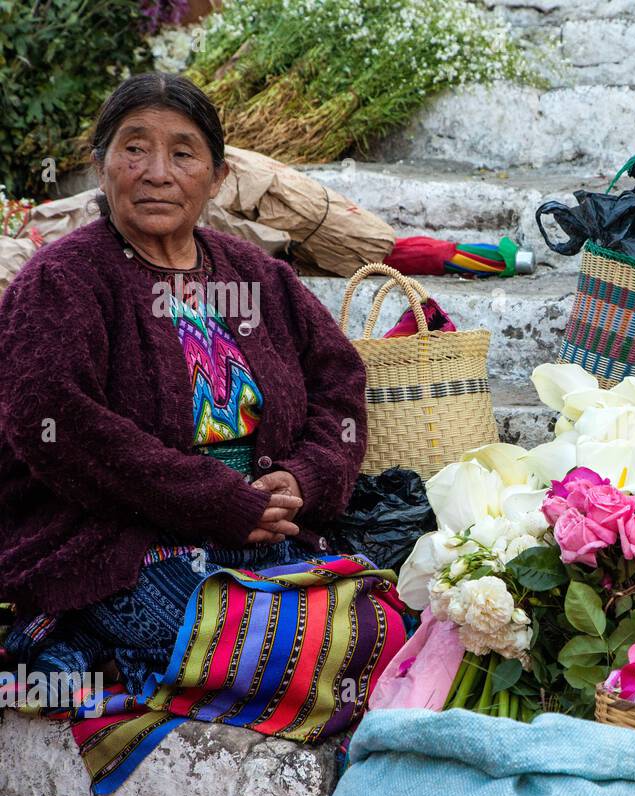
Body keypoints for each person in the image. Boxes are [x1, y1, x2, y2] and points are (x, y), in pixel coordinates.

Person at [0, 73, 371, 693]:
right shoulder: (62, 281)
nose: (157, 172)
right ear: (101, 166)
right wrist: (213, 500)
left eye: (183, 153)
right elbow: (58, 421)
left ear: (217, 177)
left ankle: (110, 649)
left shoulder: (255, 275)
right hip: (120, 549)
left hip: (261, 532)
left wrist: (306, 477)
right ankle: (69, 631)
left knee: (382, 625)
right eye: (134, 148)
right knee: (279, 652)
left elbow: (339, 382)